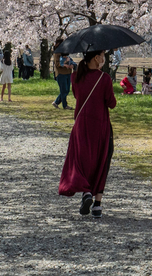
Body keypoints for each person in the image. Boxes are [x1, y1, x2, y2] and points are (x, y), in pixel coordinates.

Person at [58, 50, 117, 218]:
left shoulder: (76, 77)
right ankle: (97, 205)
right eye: (103, 56)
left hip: (81, 124)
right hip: (100, 124)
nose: (104, 59)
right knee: (102, 159)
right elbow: (111, 103)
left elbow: (78, 96)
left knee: (83, 160)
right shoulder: (104, 78)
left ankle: (86, 193)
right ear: (97, 58)